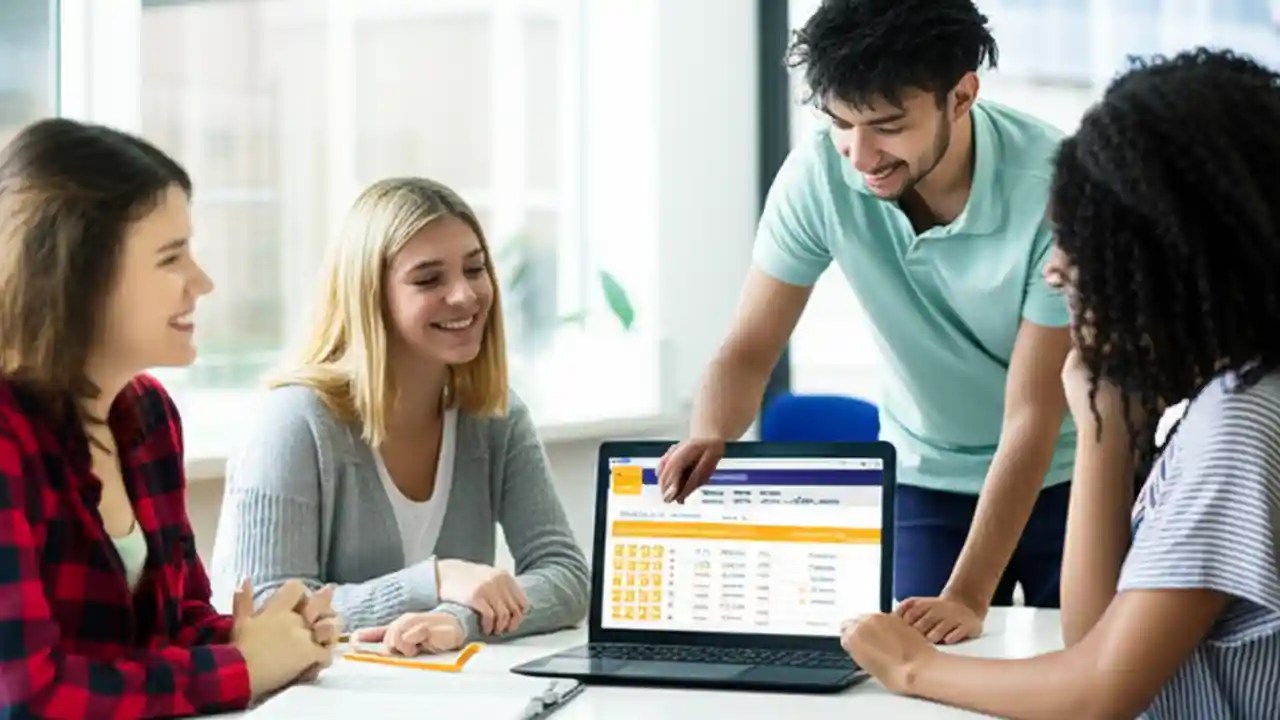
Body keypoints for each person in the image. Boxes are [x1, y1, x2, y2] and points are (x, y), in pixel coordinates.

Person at [842, 48, 1280, 719]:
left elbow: (1097, 690)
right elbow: (1094, 637)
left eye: (1085, 232)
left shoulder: (1239, 426)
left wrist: (913, 666)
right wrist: (1103, 420)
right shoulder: (1230, 400)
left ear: (1176, 247)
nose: (1057, 268)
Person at [658, 0, 1073, 643]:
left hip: (1065, 471)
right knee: (908, 672)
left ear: (961, 96)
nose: (860, 154)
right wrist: (711, 431)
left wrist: (966, 594)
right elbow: (749, 346)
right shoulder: (819, 176)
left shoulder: (1054, 186)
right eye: (840, 123)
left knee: (1085, 668)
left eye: (886, 125)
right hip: (924, 470)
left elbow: (1032, 416)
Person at [0, 118, 336, 718]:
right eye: (171, 257)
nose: (201, 282)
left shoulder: (149, 416)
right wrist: (241, 667)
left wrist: (267, 639)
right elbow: (26, 695)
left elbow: (171, 627)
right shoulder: (7, 437)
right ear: (79, 275)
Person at [211, 177, 590, 656]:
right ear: (369, 295)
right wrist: (437, 579)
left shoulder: (495, 417)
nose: (465, 296)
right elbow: (267, 611)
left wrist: (458, 620)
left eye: (474, 269)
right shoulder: (293, 420)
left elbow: (566, 576)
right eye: (429, 279)